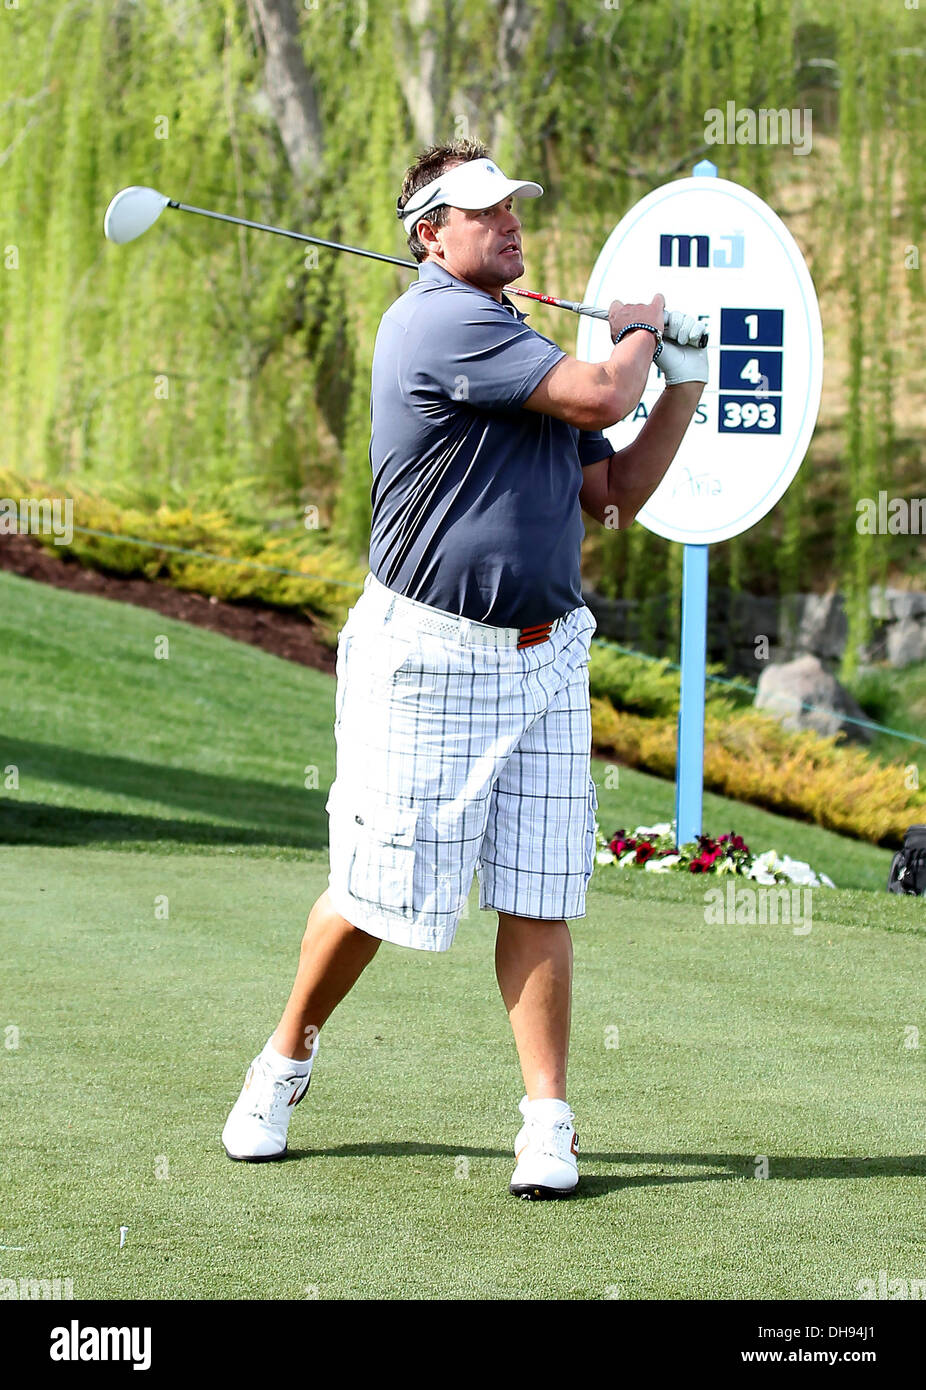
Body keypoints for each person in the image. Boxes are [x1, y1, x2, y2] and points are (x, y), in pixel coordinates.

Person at [222, 139, 708, 1198]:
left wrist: (679, 383)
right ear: (429, 236)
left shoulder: (513, 338)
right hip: (428, 659)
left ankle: (546, 1123)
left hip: (544, 657)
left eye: (514, 206)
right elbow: (591, 397)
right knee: (374, 889)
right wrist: (631, 337)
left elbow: (611, 495)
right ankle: (283, 1059)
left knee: (537, 892)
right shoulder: (438, 324)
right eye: (484, 212)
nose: (510, 222)